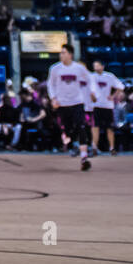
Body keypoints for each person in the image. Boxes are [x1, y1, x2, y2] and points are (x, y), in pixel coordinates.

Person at [46, 43, 93, 171]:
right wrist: (53, 98)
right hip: (62, 104)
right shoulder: (55, 69)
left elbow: (89, 80)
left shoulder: (79, 68)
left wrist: (91, 93)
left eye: (63, 52)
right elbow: (51, 85)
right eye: (60, 53)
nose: (61, 55)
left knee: (81, 126)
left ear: (70, 54)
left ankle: (84, 157)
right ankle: (72, 142)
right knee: (68, 131)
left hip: (77, 102)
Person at [87, 59, 124, 156]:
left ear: (102, 66)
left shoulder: (109, 76)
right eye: (94, 65)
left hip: (108, 106)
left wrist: (113, 96)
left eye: (97, 65)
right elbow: (88, 89)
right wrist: (91, 97)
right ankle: (94, 147)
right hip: (96, 106)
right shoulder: (91, 76)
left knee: (110, 128)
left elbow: (120, 87)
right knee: (95, 127)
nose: (95, 67)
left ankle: (112, 148)